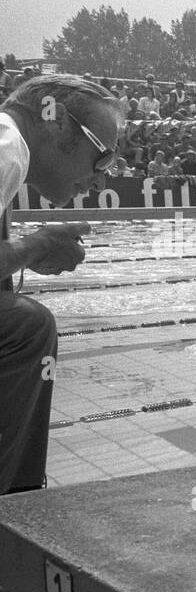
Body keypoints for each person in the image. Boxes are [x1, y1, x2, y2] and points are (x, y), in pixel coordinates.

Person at [0, 75, 122, 495]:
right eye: (102, 157)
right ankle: (15, 512)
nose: (100, 180)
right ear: (56, 123)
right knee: (25, 326)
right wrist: (35, 246)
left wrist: (27, 254)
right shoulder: (6, 149)